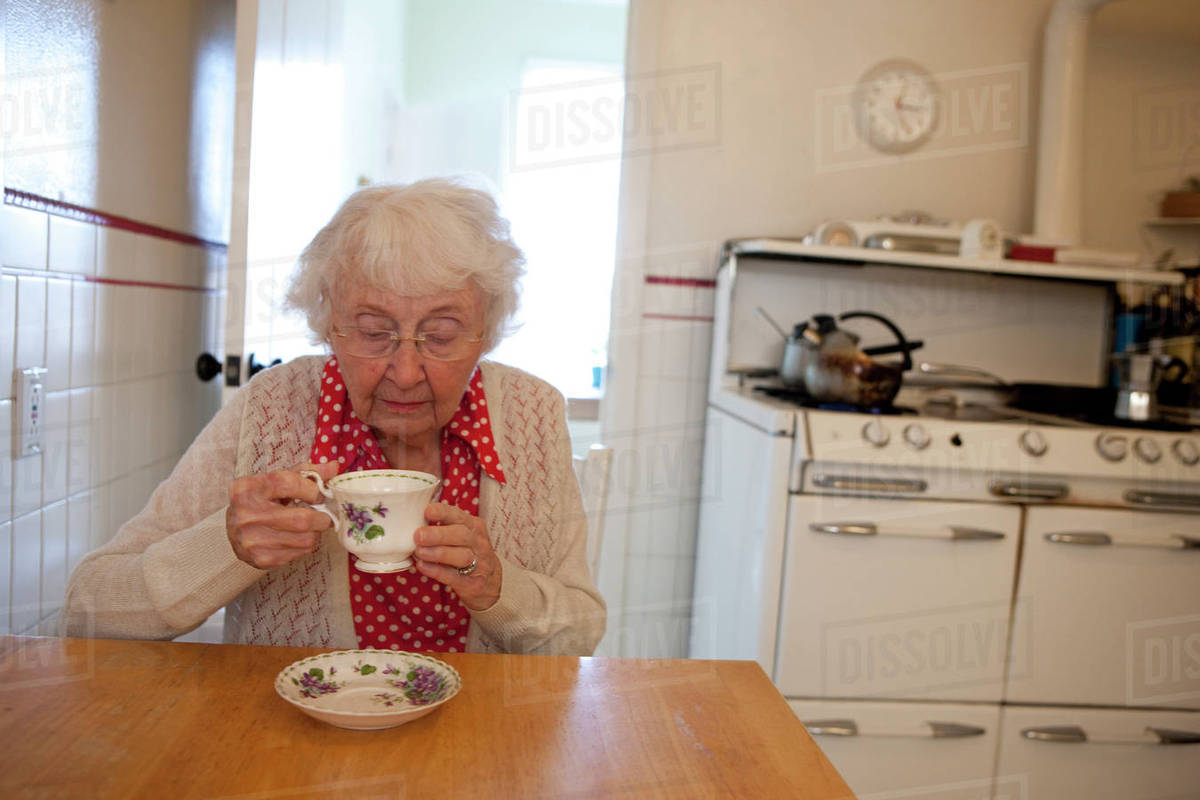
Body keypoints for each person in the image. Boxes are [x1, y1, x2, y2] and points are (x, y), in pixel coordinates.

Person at [62, 179, 605, 655]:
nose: (407, 372)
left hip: (480, 737)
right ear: (326, 325)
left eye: (439, 336)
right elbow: (90, 610)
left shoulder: (531, 413)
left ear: (485, 332)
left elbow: (579, 633)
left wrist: (497, 588)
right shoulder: (271, 406)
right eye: (373, 333)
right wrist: (224, 547)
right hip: (295, 746)